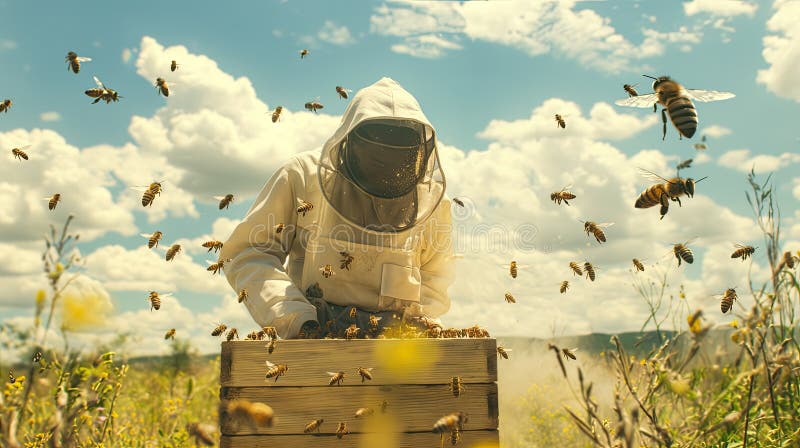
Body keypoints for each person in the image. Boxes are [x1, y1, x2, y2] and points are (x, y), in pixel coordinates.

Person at [220, 77, 455, 339]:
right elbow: (249, 251)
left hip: (396, 348)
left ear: (417, 154)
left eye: (397, 161)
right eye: (378, 159)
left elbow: (435, 275)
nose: (387, 172)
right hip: (315, 341)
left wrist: (418, 323)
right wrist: (296, 319)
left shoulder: (432, 201)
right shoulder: (302, 176)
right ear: (352, 144)